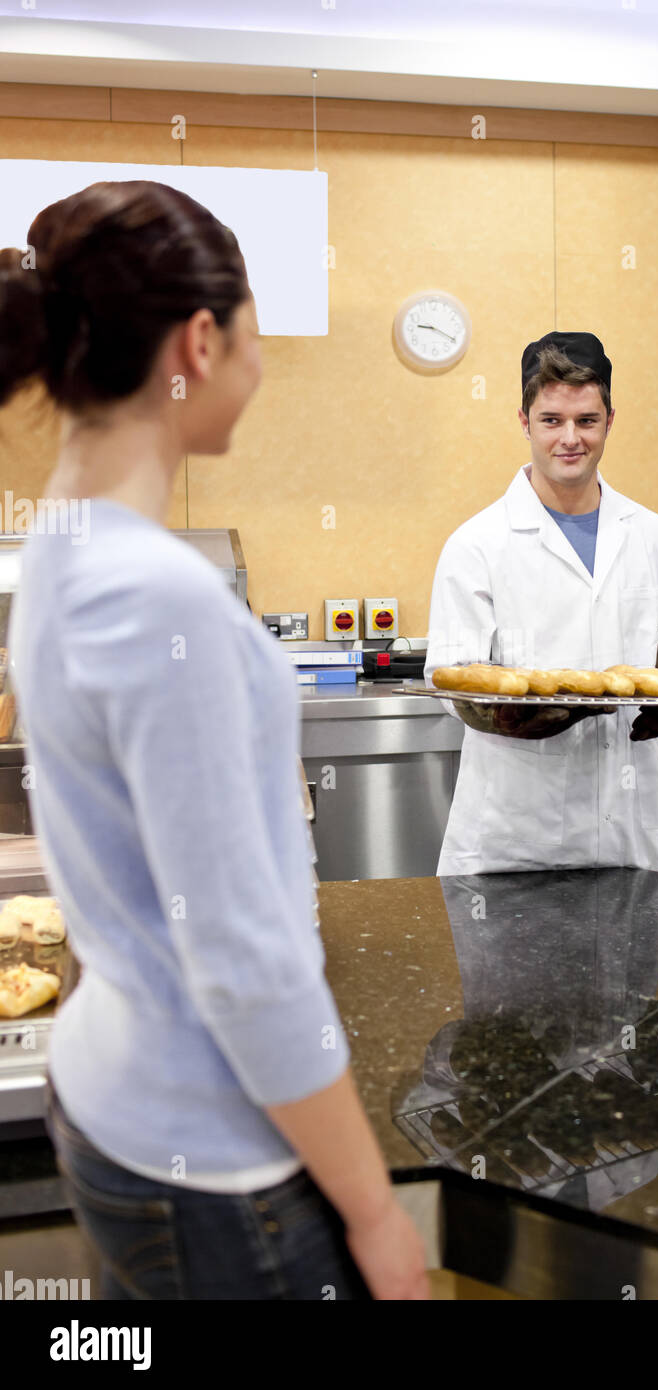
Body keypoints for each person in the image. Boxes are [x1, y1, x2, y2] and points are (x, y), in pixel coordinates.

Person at [0, 181, 427, 1300]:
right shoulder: (158, 598)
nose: (262, 364)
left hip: (108, 1097)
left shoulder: (59, 535)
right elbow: (242, 963)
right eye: (252, 334)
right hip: (214, 1154)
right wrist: (377, 1212)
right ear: (200, 340)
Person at [424, 331, 658, 875]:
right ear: (524, 421)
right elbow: (451, 681)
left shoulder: (653, 534)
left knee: (634, 960)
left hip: (630, 830)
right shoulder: (477, 544)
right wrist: (512, 715)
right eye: (551, 420)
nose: (570, 438)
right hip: (517, 838)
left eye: (587, 421)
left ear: (610, 420)